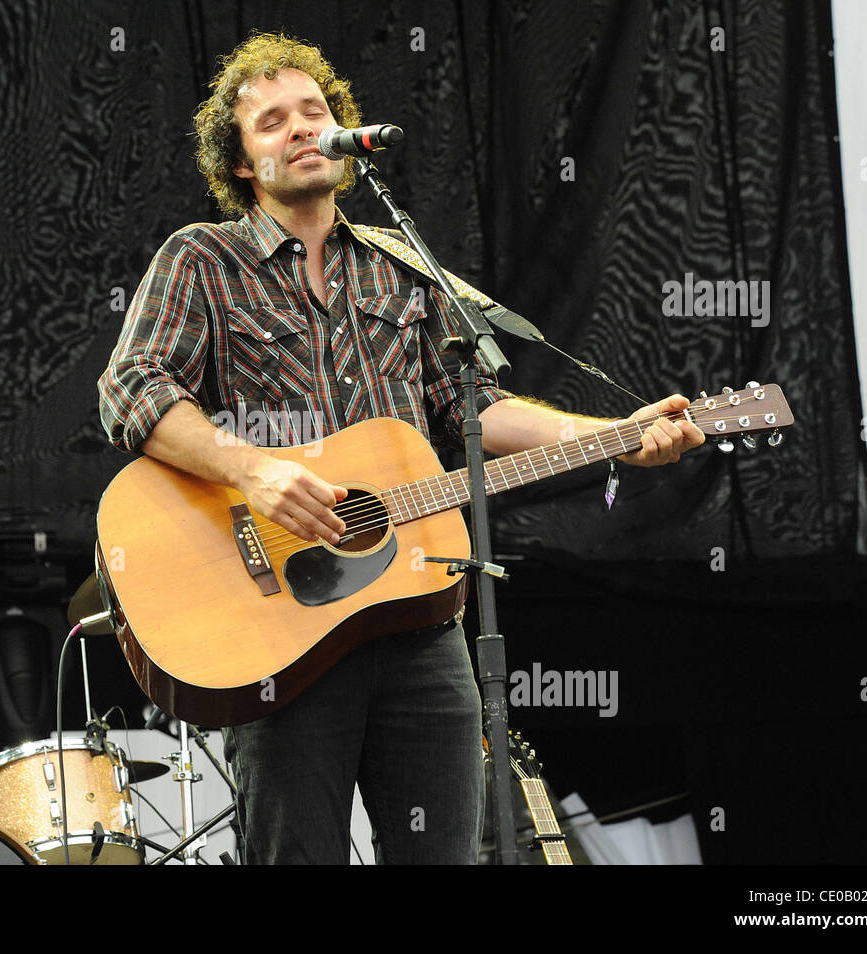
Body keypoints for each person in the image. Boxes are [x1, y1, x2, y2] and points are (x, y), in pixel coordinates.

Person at [98, 32, 704, 864]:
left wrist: (615, 437)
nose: (303, 128)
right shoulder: (203, 258)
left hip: (419, 619)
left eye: (316, 111)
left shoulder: (399, 267)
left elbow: (475, 411)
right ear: (241, 162)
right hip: (278, 623)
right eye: (273, 121)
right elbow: (131, 389)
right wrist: (257, 471)